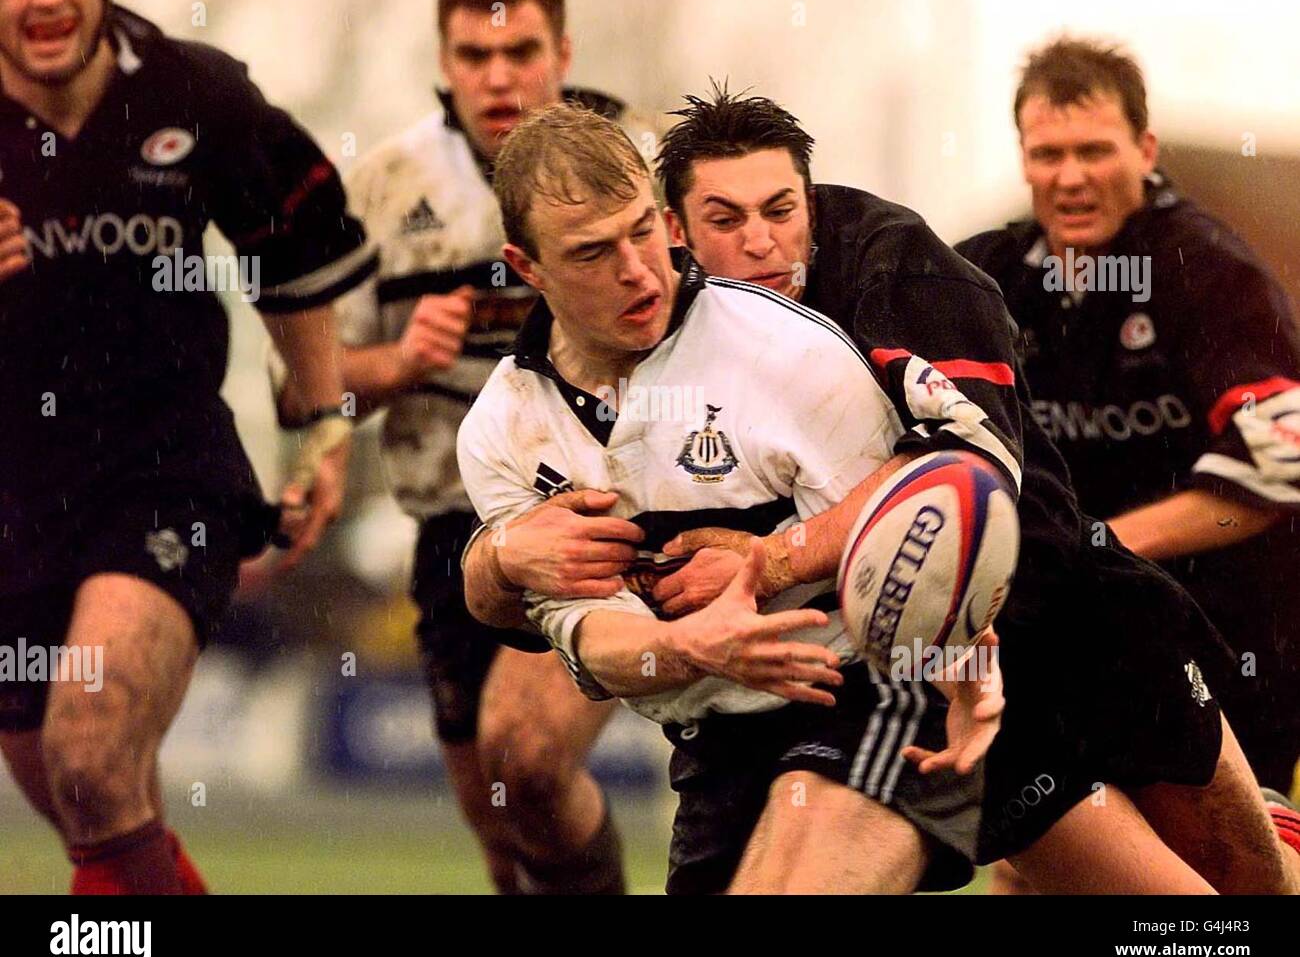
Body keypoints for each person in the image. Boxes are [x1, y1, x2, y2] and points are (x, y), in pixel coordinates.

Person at [464, 85, 1300, 894]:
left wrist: (767, 559)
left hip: (1053, 625)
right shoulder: (518, 418)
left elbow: (964, 483)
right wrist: (500, 559)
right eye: (725, 219)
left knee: (1247, 889)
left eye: (781, 210)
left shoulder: (886, 285)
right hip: (888, 672)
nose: (759, 242)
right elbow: (561, 620)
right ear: (685, 224)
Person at [457, 101, 992, 895]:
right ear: (527, 267)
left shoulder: (788, 350)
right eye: (593, 252)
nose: (637, 269)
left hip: (875, 698)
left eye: (643, 230)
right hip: (714, 741)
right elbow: (588, 637)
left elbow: (942, 502)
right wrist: (691, 648)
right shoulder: (506, 430)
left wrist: (775, 565)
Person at [0, 0, 371, 894]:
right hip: (15, 495)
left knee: (89, 751)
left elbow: (293, 251)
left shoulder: (192, 92)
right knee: (85, 799)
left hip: (163, 471)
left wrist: (325, 424)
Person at [319, 0, 658, 894]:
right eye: (475, 55)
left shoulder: (642, 161)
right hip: (453, 525)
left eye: (521, 51)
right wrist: (399, 363)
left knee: (532, 759)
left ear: (565, 51)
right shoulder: (385, 189)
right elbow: (311, 389)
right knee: (501, 822)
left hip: (611, 514)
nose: (499, 76)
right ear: (445, 58)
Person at [955, 37, 1300, 798]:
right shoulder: (994, 277)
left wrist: (1093, 553)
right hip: (1077, 643)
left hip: (1234, 648)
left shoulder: (1210, 272)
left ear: (1145, 148)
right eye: (1048, 154)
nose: (1071, 177)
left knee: (1232, 883)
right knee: (1041, 858)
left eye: (1094, 150)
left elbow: (1281, 469)